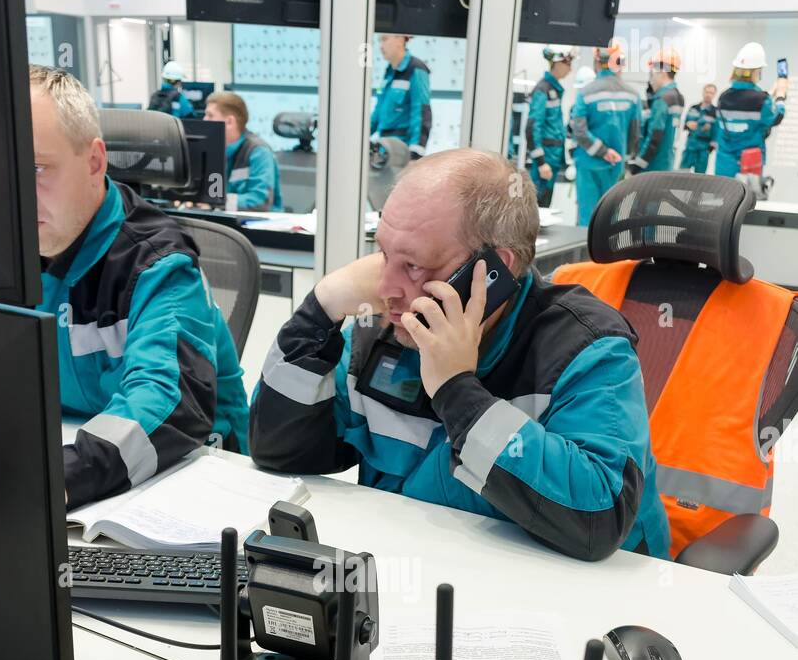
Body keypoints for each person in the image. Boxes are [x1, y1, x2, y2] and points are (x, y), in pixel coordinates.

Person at [250, 149, 669, 562]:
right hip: (419, 576)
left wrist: (457, 391)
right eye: (383, 254)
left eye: (414, 265)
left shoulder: (587, 348)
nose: (385, 286)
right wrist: (319, 311)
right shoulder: (384, 326)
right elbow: (281, 451)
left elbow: (599, 521)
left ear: (492, 270)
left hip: (564, 601)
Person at [29, 66, 248, 509]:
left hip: (191, 479)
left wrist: (52, 481)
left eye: (37, 168)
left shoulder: (159, 264)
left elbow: (165, 402)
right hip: (79, 463)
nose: (13, 192)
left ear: (94, 161)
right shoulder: (5, 247)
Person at [570, 45, 642, 225]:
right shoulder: (632, 95)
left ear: (597, 62)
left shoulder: (585, 93)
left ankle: (586, 252)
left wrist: (602, 151)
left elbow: (579, 130)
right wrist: (623, 155)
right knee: (611, 215)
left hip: (588, 163)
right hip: (616, 165)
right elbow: (635, 133)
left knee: (587, 215)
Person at [714, 43, 787, 178]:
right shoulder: (762, 100)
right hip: (747, 166)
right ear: (757, 71)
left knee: (724, 197)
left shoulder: (723, 97)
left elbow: (745, 111)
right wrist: (781, 96)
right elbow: (776, 117)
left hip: (724, 165)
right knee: (746, 198)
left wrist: (769, 94)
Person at [204, 91, 283, 212]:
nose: (204, 120)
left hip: (258, 226)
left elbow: (260, 202)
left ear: (229, 121)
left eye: (210, 115)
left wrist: (217, 203)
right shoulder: (213, 151)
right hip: (225, 220)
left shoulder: (259, 152)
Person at [526, 45, 577, 206]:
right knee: (537, 206)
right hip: (546, 160)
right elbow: (532, 127)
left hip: (553, 158)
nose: (570, 69)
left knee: (545, 205)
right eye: (568, 64)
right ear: (557, 63)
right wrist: (541, 162)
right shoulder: (543, 90)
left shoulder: (554, 89)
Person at [371, 34, 432, 161]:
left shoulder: (416, 69)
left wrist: (415, 153)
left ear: (400, 39)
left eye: (384, 39)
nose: (381, 46)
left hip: (402, 152)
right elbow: (378, 111)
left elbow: (421, 111)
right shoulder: (389, 71)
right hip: (385, 149)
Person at [627, 50, 685, 174]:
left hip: (651, 167)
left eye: (652, 72)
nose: (651, 77)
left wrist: (638, 165)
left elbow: (655, 137)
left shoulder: (662, 99)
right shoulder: (678, 97)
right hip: (666, 164)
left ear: (662, 71)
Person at [680, 83, 718, 172]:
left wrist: (712, 146)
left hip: (704, 149)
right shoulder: (693, 108)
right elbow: (684, 124)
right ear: (703, 92)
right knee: (682, 173)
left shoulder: (715, 112)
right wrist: (687, 124)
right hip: (690, 146)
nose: (708, 94)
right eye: (707, 92)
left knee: (700, 178)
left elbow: (717, 131)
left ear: (714, 95)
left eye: (711, 93)